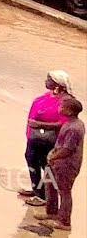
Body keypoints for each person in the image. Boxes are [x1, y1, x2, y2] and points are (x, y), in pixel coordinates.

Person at [21, 71, 74, 206]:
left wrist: (39, 124)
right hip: (36, 137)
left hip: (50, 140)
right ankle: (36, 189)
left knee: (47, 167)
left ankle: (44, 196)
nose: (46, 81)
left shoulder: (66, 101)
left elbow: (63, 123)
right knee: (32, 160)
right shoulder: (48, 96)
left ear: (57, 84)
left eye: (49, 79)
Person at [38, 96, 83, 231]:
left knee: (64, 192)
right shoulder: (69, 123)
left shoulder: (74, 128)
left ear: (69, 111)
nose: (60, 108)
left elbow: (67, 149)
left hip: (66, 165)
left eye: (63, 107)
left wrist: (53, 157)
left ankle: (64, 221)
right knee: (49, 185)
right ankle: (52, 213)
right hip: (56, 162)